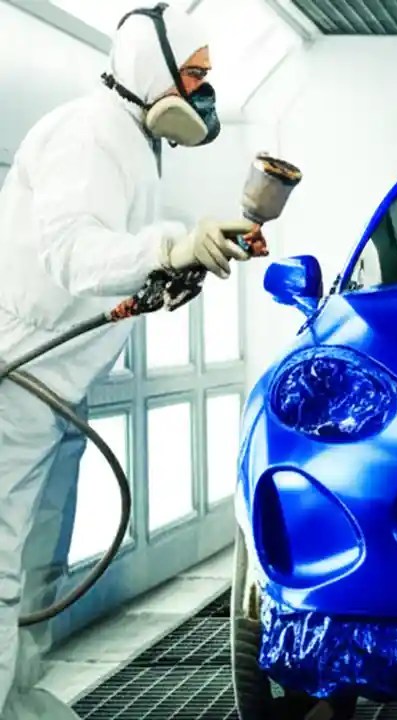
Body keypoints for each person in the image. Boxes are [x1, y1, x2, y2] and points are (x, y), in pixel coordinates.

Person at [0, 5, 253, 718]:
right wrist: (168, 247)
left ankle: (18, 696)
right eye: (196, 75)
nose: (204, 93)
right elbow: (75, 255)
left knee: (40, 561)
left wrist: (165, 274)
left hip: (55, 389)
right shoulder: (88, 135)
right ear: (153, 71)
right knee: (2, 565)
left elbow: (110, 260)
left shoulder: (131, 143)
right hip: (18, 378)